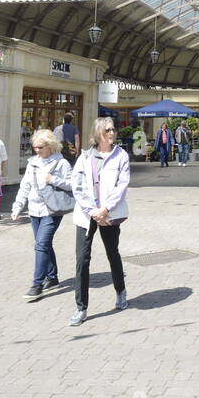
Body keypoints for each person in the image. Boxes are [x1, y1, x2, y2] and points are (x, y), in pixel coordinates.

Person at [68, 117, 131, 326]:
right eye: (107, 130)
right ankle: (81, 307)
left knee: (112, 253)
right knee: (82, 260)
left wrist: (105, 209)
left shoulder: (121, 156)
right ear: (98, 133)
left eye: (113, 129)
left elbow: (122, 186)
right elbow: (77, 186)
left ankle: (120, 291)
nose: (112, 133)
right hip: (87, 216)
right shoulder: (85, 157)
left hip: (109, 214)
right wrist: (92, 210)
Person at [10, 129, 74, 300]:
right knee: (44, 244)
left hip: (51, 210)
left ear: (50, 146)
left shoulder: (62, 163)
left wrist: (53, 180)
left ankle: (37, 284)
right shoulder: (32, 163)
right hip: (34, 210)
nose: (36, 150)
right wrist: (17, 207)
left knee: (40, 244)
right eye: (35, 147)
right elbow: (25, 186)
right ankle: (52, 277)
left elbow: (73, 185)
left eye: (40, 147)